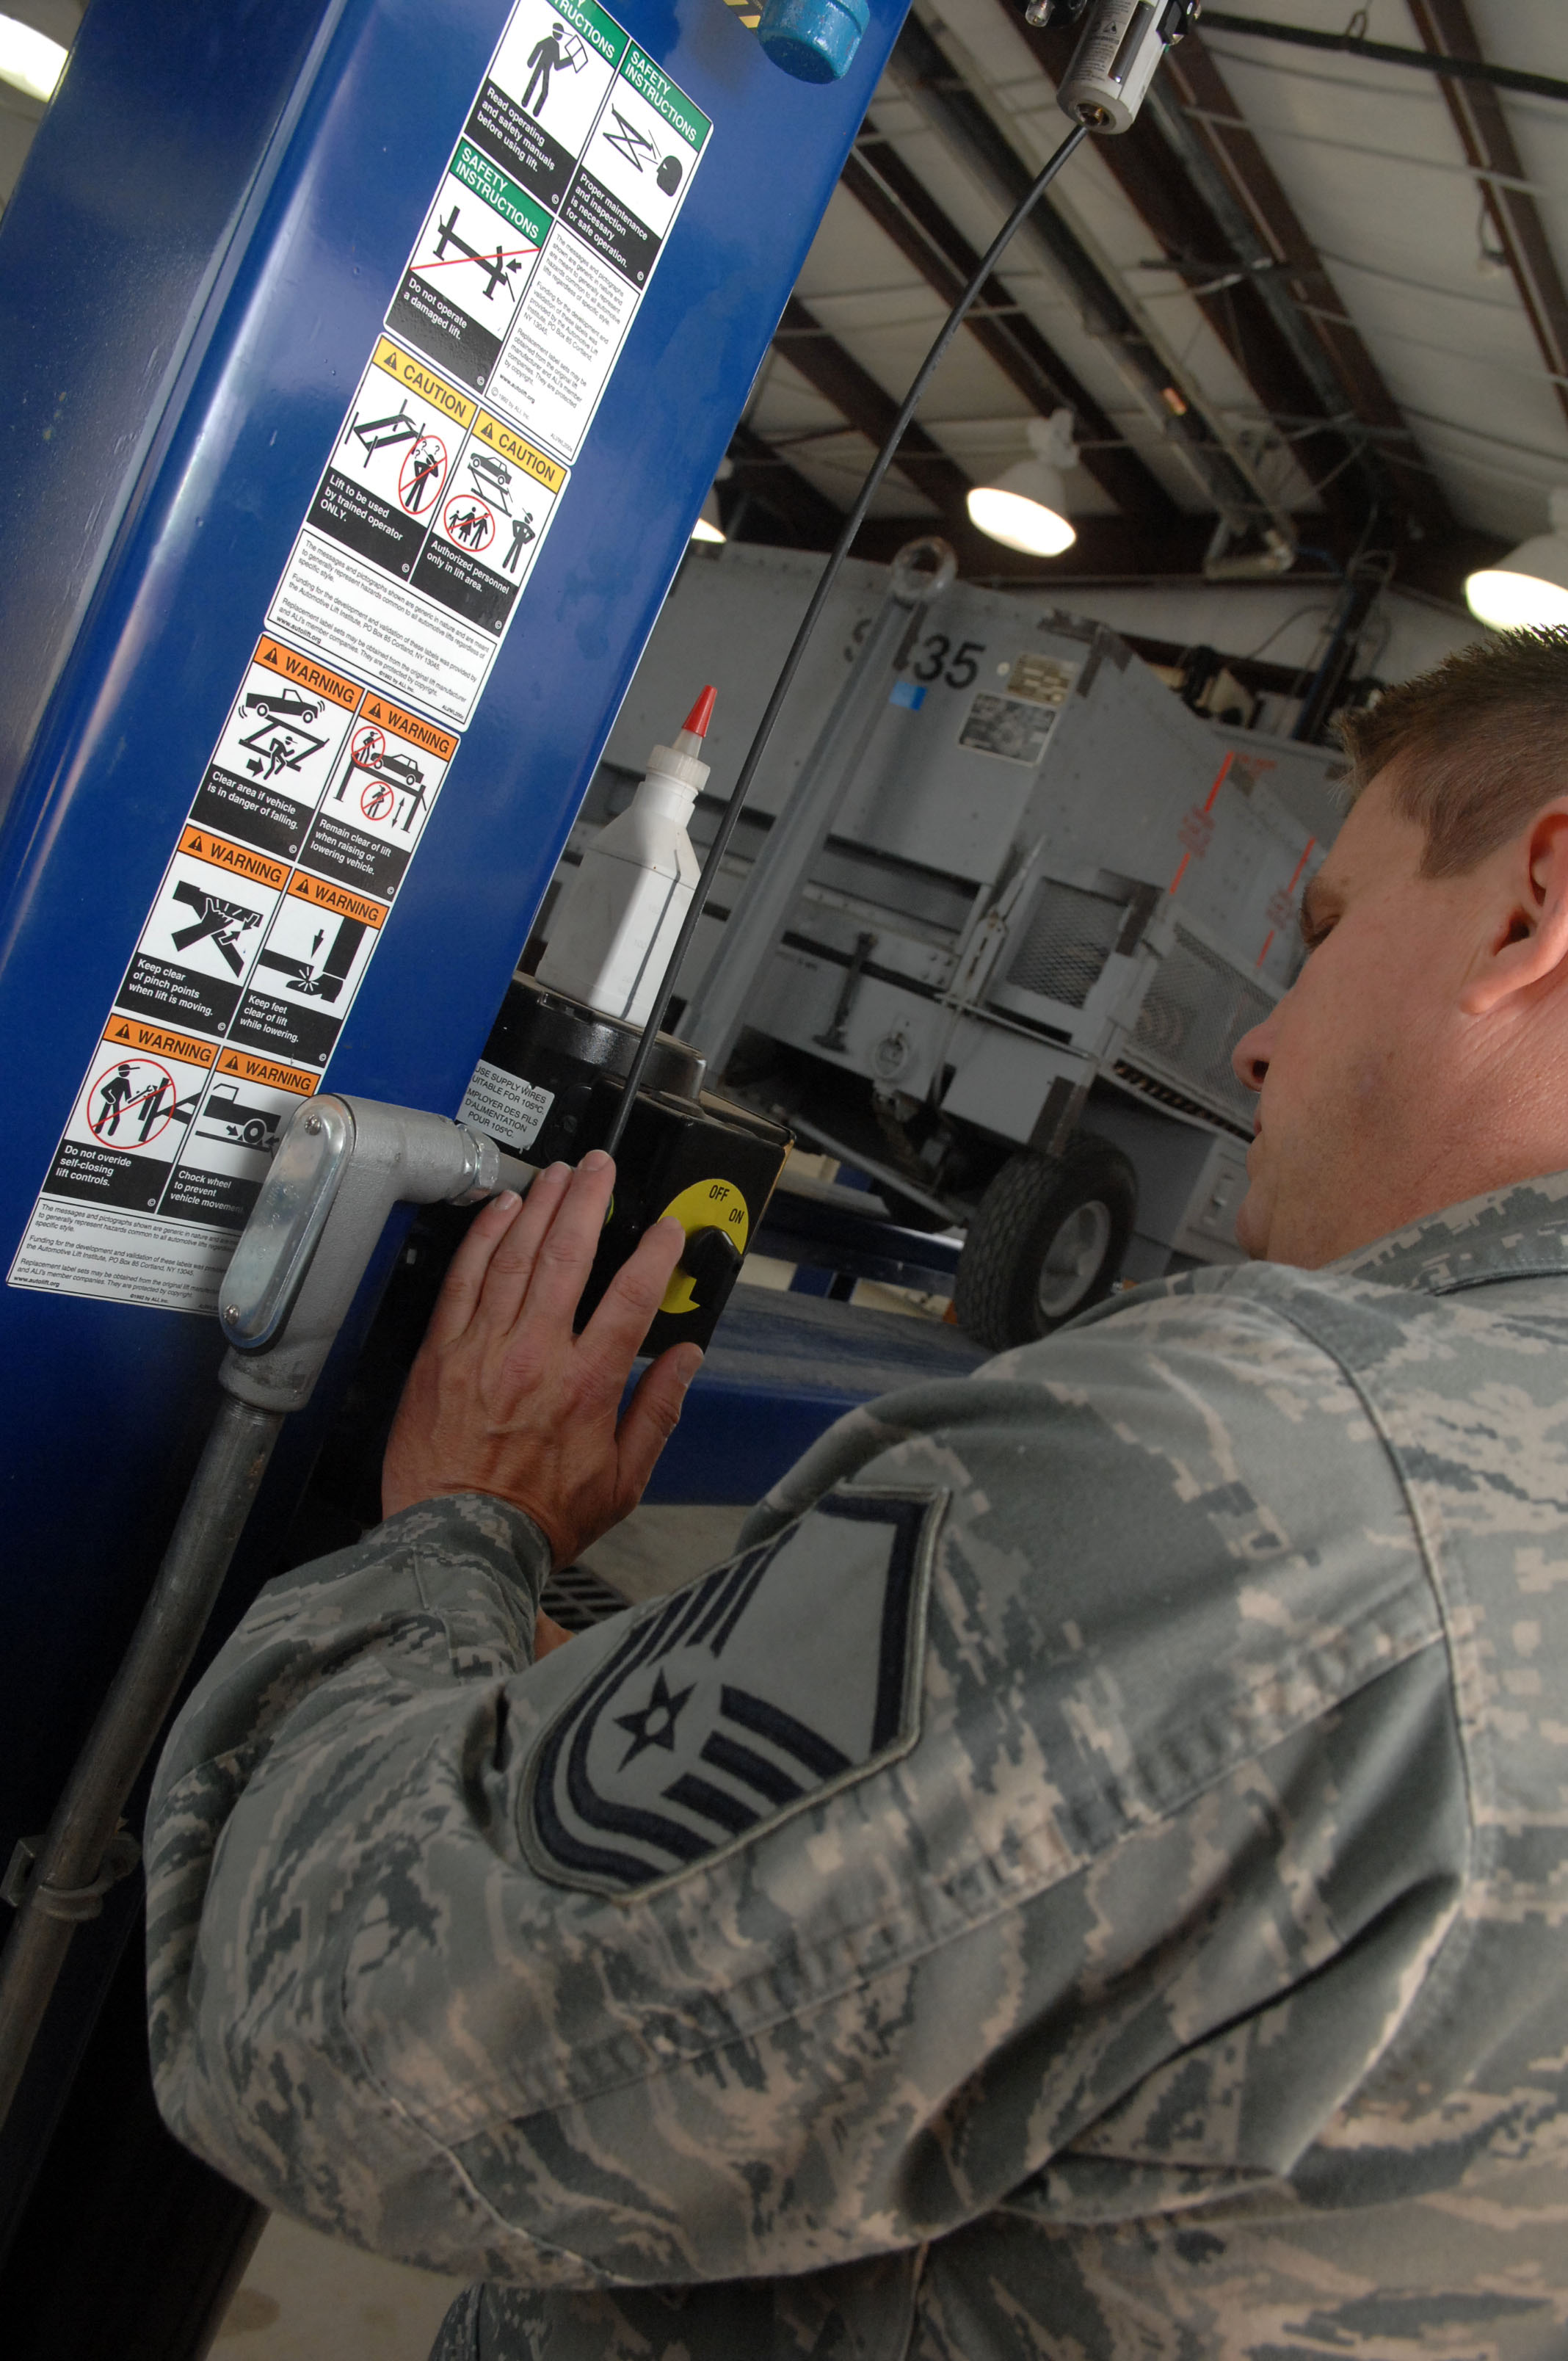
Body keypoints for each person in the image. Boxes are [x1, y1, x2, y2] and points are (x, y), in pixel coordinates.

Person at [147, 628, 1568, 2360]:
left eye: (1328, 931)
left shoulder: (1269, 1475)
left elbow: (331, 2046)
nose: (1262, 1042)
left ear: (1531, 907)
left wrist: (464, 1527)